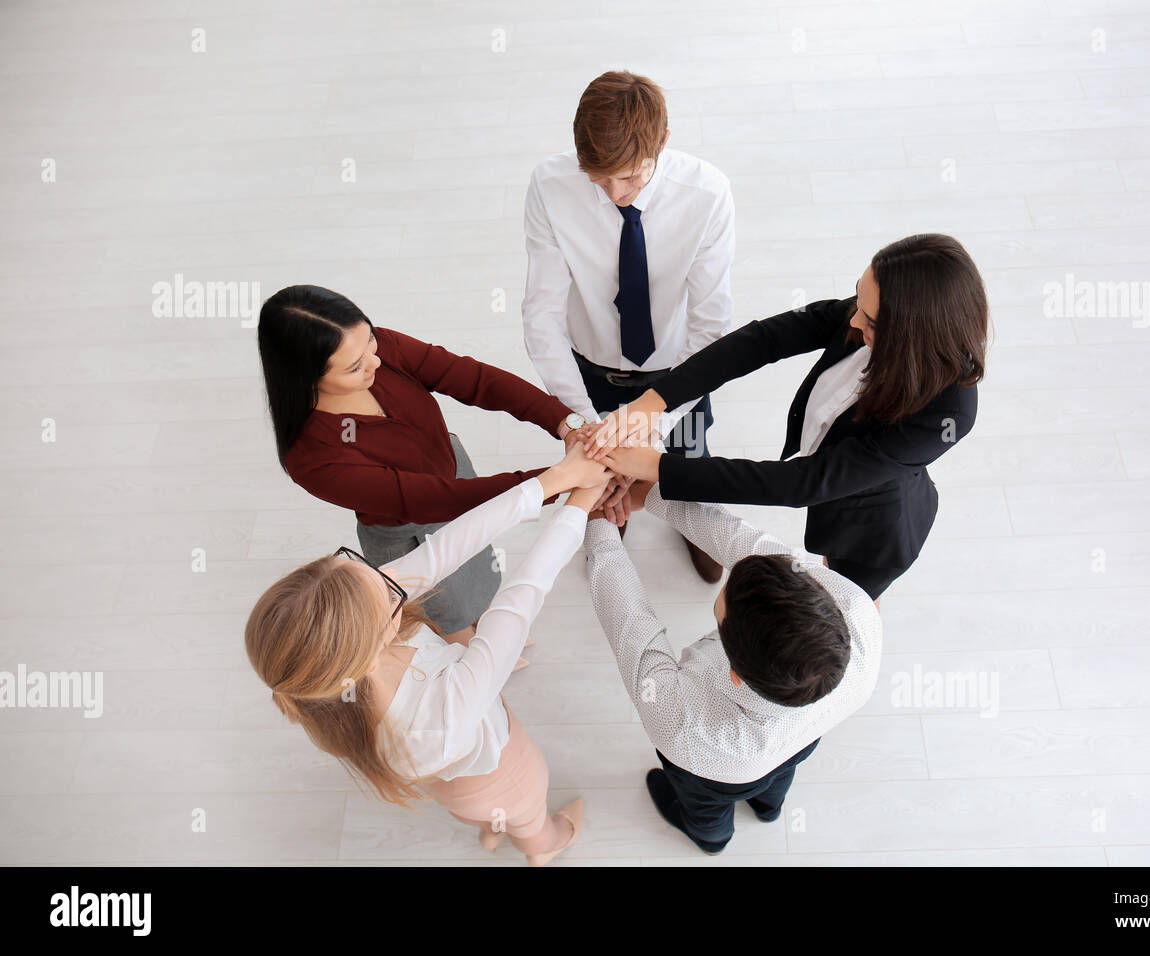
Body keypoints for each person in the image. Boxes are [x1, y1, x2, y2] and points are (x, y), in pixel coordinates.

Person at [245, 444, 611, 866]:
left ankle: (492, 827)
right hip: (505, 773)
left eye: (358, 564)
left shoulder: (329, 690)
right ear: (369, 658)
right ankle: (542, 847)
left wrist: (556, 480)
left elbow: (445, 547)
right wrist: (579, 506)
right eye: (386, 588)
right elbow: (520, 599)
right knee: (530, 817)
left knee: (486, 811)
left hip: (452, 788)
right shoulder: (441, 712)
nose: (391, 577)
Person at [587, 233, 988, 604]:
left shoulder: (947, 411)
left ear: (914, 332)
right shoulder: (869, 314)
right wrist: (655, 401)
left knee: (848, 606)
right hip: (836, 486)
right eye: (857, 302)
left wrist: (657, 467)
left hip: (873, 527)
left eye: (870, 320)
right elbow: (765, 340)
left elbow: (804, 482)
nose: (853, 320)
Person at [258, 284, 594, 667]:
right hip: (410, 529)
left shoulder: (381, 349)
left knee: (478, 568)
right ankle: (473, 651)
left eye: (370, 341)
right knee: (444, 602)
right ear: (304, 377)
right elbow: (430, 499)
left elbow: (472, 378)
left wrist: (564, 423)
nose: (376, 361)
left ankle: (486, 622)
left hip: (459, 481)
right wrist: (560, 478)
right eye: (355, 366)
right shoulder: (312, 456)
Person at [582, 478, 882, 854]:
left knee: (704, 808)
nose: (729, 573)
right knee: (782, 773)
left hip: (717, 776)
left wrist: (598, 525)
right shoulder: (854, 609)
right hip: (804, 736)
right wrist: (655, 491)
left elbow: (630, 623)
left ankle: (711, 839)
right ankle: (768, 807)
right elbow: (743, 541)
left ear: (734, 672)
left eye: (723, 600)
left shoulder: (685, 728)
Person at [522, 69, 736, 582]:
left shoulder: (707, 195)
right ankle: (609, 504)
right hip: (587, 368)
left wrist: (650, 428)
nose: (617, 193)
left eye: (632, 177)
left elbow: (712, 327)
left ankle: (693, 516)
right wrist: (591, 431)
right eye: (600, 179)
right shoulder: (550, 189)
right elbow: (542, 314)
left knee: (688, 459)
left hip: (678, 372)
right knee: (595, 468)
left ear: (664, 141)